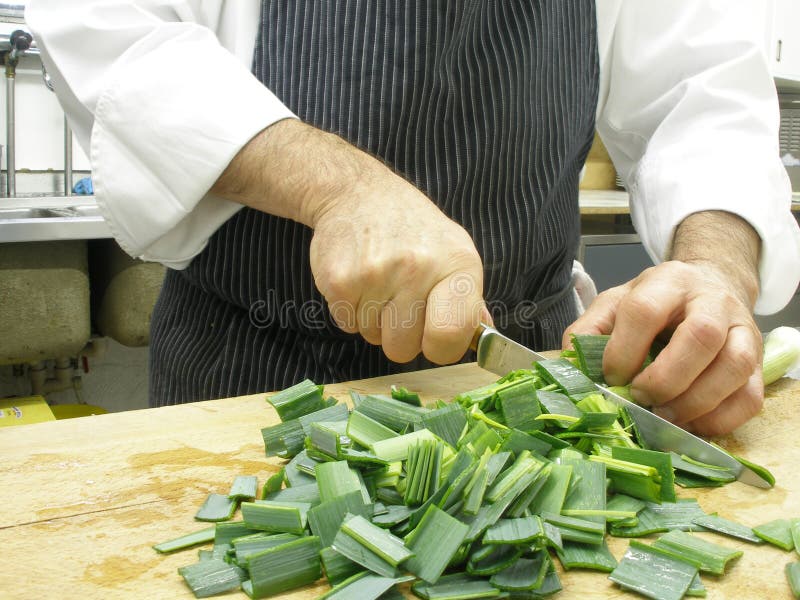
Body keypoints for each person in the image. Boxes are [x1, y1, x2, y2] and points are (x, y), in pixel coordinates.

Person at [27, 1, 800, 436]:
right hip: (249, 378)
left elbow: (700, 91)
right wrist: (338, 186)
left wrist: (713, 264)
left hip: (526, 392)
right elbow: (112, 35)